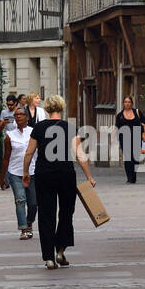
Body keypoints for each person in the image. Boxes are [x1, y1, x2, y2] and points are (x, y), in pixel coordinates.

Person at [23, 95, 96, 269]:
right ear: (61, 108)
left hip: (44, 174)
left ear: (47, 109)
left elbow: (29, 152)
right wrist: (89, 176)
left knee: (46, 214)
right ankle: (60, 251)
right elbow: (79, 155)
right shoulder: (70, 128)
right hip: (65, 174)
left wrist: (26, 172)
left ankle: (48, 258)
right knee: (66, 213)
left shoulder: (39, 127)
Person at [0, 104, 36, 239]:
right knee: (20, 200)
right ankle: (23, 229)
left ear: (27, 117)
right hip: (15, 172)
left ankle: (29, 222)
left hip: (32, 171)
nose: (18, 116)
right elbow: (6, 157)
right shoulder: (10, 136)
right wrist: (2, 177)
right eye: (16, 115)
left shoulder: (33, 132)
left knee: (33, 203)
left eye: (21, 114)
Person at [115, 95, 145, 184]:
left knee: (135, 158)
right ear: (123, 103)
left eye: (129, 102)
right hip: (124, 138)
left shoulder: (137, 112)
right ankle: (130, 178)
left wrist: (144, 133)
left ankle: (134, 176)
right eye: (125, 102)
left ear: (132, 103)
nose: (127, 103)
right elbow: (117, 128)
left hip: (137, 137)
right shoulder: (120, 116)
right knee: (128, 158)